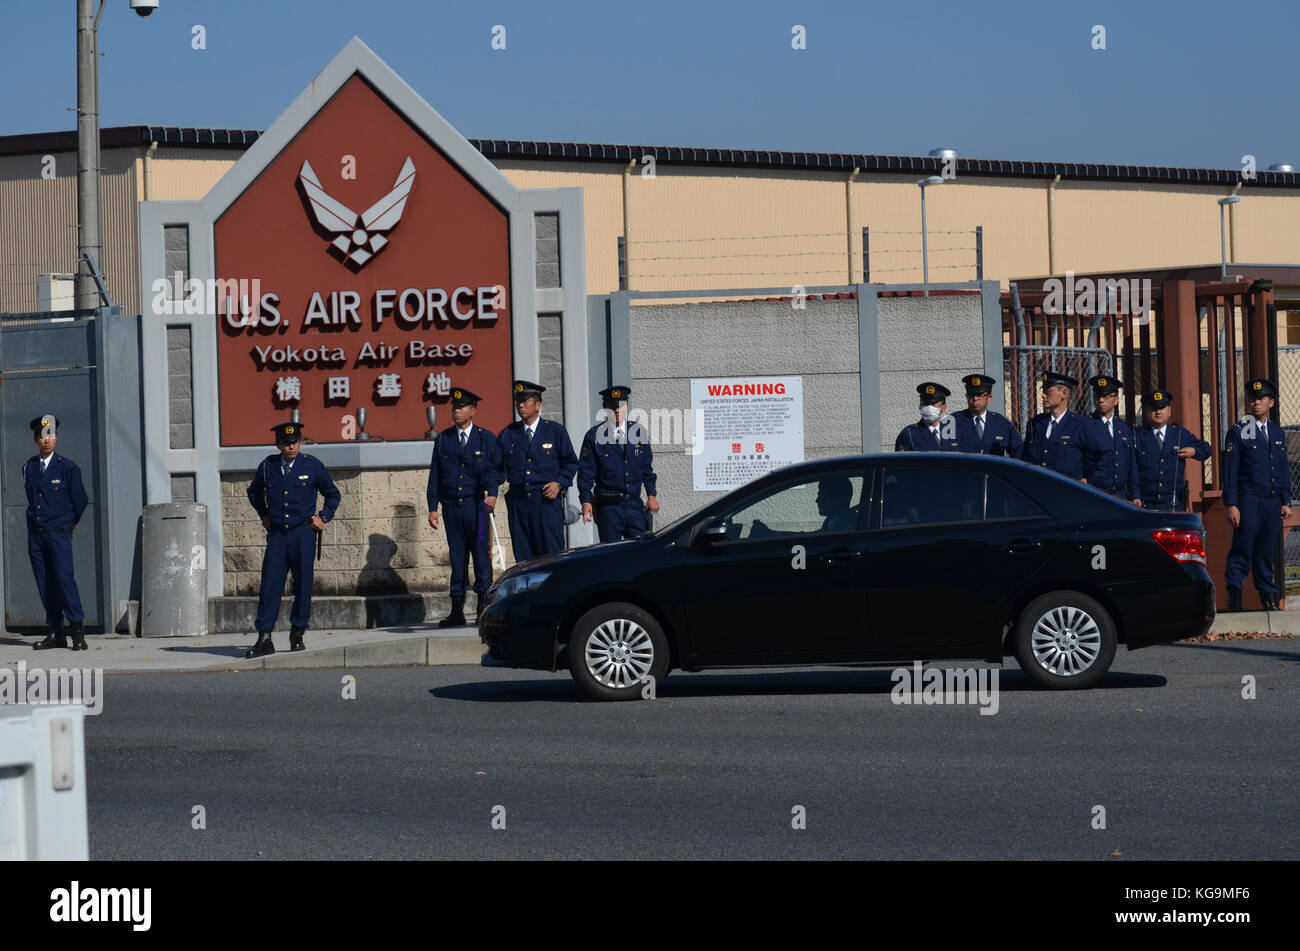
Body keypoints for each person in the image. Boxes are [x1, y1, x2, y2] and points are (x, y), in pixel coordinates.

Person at [246, 422, 341, 657]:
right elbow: (254, 492)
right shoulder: (268, 466)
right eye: (287, 443)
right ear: (277, 444)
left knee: (303, 585)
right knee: (270, 586)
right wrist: (264, 514)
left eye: (296, 442)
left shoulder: (312, 466)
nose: (291, 447)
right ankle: (265, 637)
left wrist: (323, 517)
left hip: (303, 533)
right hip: (278, 535)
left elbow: (332, 494)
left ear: (301, 442)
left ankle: (297, 633)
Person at [427, 387, 500, 626]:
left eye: (461, 407)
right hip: (452, 508)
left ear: (473, 411)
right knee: (457, 558)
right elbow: (435, 475)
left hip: (477, 507)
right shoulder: (444, 439)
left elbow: (493, 470)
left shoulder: (486, 438)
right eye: (453, 408)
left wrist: (493, 494)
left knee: (480, 556)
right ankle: (456, 609)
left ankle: (483, 607)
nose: (456, 411)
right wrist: (433, 506)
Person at [1223, 377, 1291, 612]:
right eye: (1252, 399)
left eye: (1260, 399)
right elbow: (1230, 470)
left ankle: (1268, 598)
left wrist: (1285, 500)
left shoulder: (1276, 432)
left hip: (1271, 500)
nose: (1255, 403)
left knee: (1265, 550)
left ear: (1271, 402)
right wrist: (1231, 503)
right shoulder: (1241, 430)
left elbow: (1282, 469)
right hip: (1249, 498)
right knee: (1243, 547)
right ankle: (1235, 596)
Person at [24, 415, 89, 651]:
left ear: (56, 437)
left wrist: (67, 524)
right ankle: (55, 632)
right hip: (36, 534)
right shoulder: (29, 467)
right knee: (45, 582)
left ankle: (77, 632)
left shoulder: (68, 468)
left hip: (57, 532)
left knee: (64, 579)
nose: (47, 440)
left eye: (50, 435)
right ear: (35, 439)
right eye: (42, 437)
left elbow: (80, 500)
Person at [497, 380, 579, 561]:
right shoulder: (508, 434)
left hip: (545, 503)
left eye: (526, 401)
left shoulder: (554, 431)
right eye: (518, 401)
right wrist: (488, 490)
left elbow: (571, 463)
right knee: (524, 556)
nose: (521, 405)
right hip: (519, 503)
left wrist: (559, 484)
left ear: (538, 404)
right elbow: (495, 468)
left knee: (551, 554)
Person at [578, 385, 659, 542]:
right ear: (604, 408)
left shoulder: (638, 432)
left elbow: (647, 469)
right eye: (612, 406)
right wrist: (586, 500)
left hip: (634, 504)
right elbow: (585, 473)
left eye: (620, 406)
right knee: (610, 555)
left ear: (627, 406)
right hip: (609, 507)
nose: (617, 410)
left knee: (639, 551)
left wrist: (651, 494)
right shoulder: (594, 436)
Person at [1134, 389, 1211, 513]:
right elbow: (1133, 472)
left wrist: (1193, 451)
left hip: (1174, 505)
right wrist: (1135, 496)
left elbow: (1206, 449)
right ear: (1146, 411)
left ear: (1169, 410)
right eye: (1153, 408)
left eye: (1162, 408)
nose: (1158, 411)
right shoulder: (1137, 436)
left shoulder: (1179, 434)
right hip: (1145, 505)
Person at [1021, 371, 1108, 479]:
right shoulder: (1036, 424)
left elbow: (1105, 457)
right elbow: (1025, 458)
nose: (1043, 395)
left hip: (1068, 491)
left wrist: (1089, 480)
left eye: (1047, 392)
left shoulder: (1081, 425)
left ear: (1064, 393)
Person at [1084, 374, 1141, 505]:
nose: (1101, 400)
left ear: (1116, 400)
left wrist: (1135, 494)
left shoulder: (1124, 428)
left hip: (1121, 496)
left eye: (1105, 396)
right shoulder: (1086, 425)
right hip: (1096, 494)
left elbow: (1131, 464)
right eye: (1098, 396)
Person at [955, 373, 1022, 457]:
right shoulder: (954, 421)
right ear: (966, 396)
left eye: (979, 395)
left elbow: (1018, 452)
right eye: (971, 395)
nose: (975, 398)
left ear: (989, 398)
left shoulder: (1001, 423)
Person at [895, 382, 963, 451]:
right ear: (920, 406)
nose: (929, 408)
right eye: (925, 403)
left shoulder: (953, 433)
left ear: (943, 408)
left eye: (933, 404)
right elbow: (900, 461)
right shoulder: (909, 434)